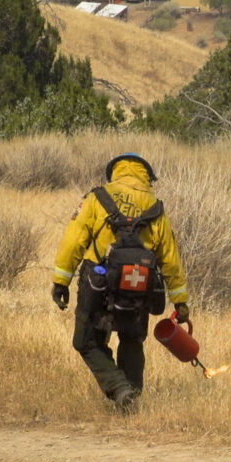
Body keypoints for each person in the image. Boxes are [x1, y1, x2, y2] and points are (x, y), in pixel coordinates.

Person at [50, 153, 190, 411]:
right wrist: (180, 301)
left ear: (114, 173)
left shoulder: (97, 198)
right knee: (131, 339)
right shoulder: (155, 206)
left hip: (97, 282)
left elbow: (74, 240)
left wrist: (61, 281)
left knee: (86, 341)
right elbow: (170, 257)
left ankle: (119, 388)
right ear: (146, 176)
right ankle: (130, 402)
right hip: (139, 286)